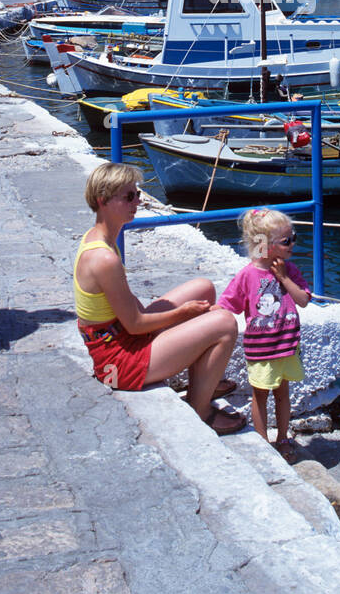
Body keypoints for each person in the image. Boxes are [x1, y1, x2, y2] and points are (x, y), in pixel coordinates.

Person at [73, 163, 244, 433]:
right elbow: (135, 324)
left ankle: (204, 379)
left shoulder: (101, 239)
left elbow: (127, 309)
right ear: (102, 201)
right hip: (118, 362)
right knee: (224, 323)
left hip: (120, 336)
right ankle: (201, 411)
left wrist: (179, 315)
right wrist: (183, 313)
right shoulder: (103, 258)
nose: (137, 201)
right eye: (128, 196)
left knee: (203, 287)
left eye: (137, 194)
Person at [218, 209, 311, 459]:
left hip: (287, 346)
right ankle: (262, 441)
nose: (292, 244)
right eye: (286, 241)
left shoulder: (290, 271)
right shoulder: (248, 275)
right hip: (261, 349)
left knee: (283, 394)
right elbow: (227, 304)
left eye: (294, 238)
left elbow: (302, 300)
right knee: (260, 396)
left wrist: (283, 278)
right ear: (265, 244)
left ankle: (282, 438)